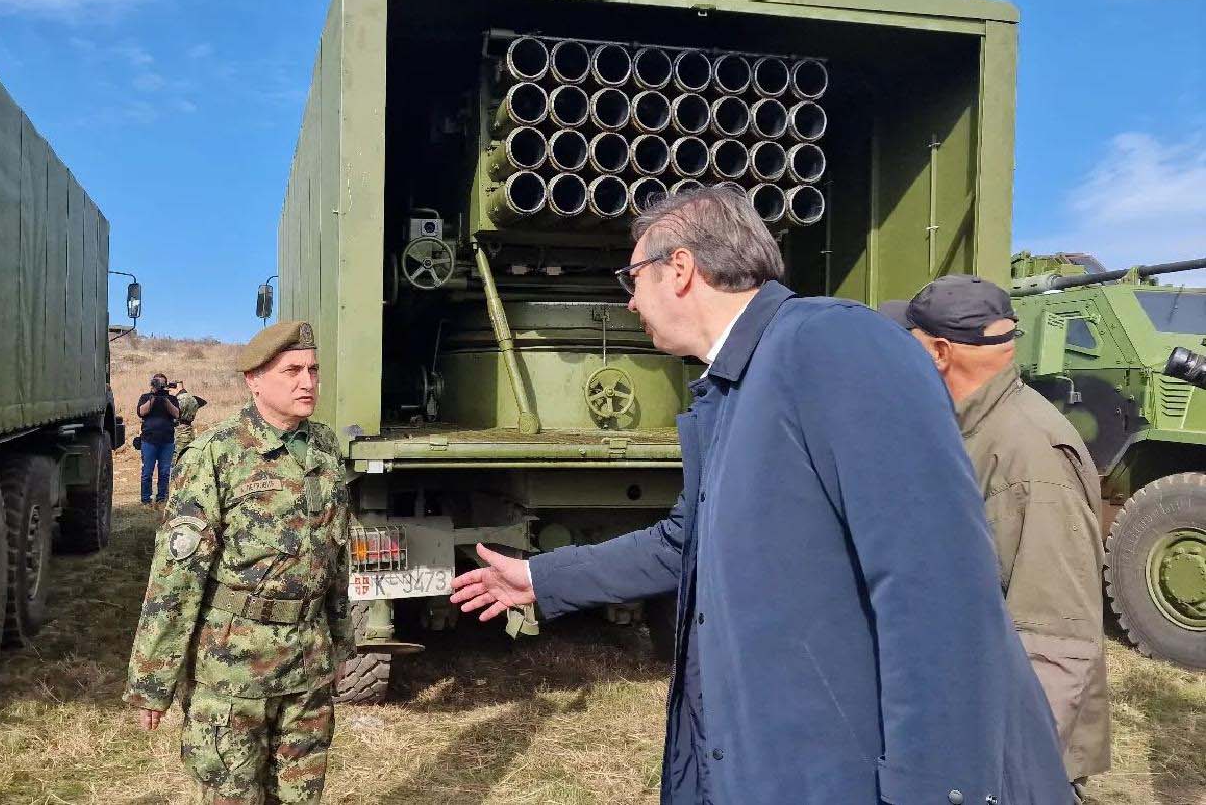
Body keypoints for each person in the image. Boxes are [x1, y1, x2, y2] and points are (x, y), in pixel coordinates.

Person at [448, 187, 1071, 805]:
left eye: (632, 277)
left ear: (681, 268)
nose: (630, 300)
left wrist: (936, 791)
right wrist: (541, 577)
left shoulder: (833, 345)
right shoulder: (735, 385)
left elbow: (934, 579)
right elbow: (682, 542)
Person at [880, 276, 1110, 800]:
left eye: (910, 341)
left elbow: (1055, 641)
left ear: (940, 353)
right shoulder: (975, 426)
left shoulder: (1029, 458)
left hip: (1014, 760)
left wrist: (1005, 771)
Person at [123, 320, 354, 805]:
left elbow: (333, 555)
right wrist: (152, 681)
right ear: (254, 380)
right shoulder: (216, 453)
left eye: (313, 370)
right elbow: (176, 577)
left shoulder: (324, 447)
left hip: (306, 667)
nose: (307, 382)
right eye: (292, 371)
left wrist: (338, 643)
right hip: (233, 674)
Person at [137, 372, 180, 505]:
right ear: (152, 384)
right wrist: (154, 397)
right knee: (147, 472)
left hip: (167, 441)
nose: (159, 386)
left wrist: (165, 399)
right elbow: (141, 412)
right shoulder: (145, 397)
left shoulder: (171, 399)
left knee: (165, 472)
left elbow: (177, 414)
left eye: (162, 383)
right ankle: (146, 500)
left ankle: (161, 498)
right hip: (149, 440)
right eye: (157, 383)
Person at [172, 382, 206, 468]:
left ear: (176, 388)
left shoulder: (176, 400)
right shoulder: (193, 399)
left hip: (179, 433)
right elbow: (203, 402)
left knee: (175, 461)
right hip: (190, 432)